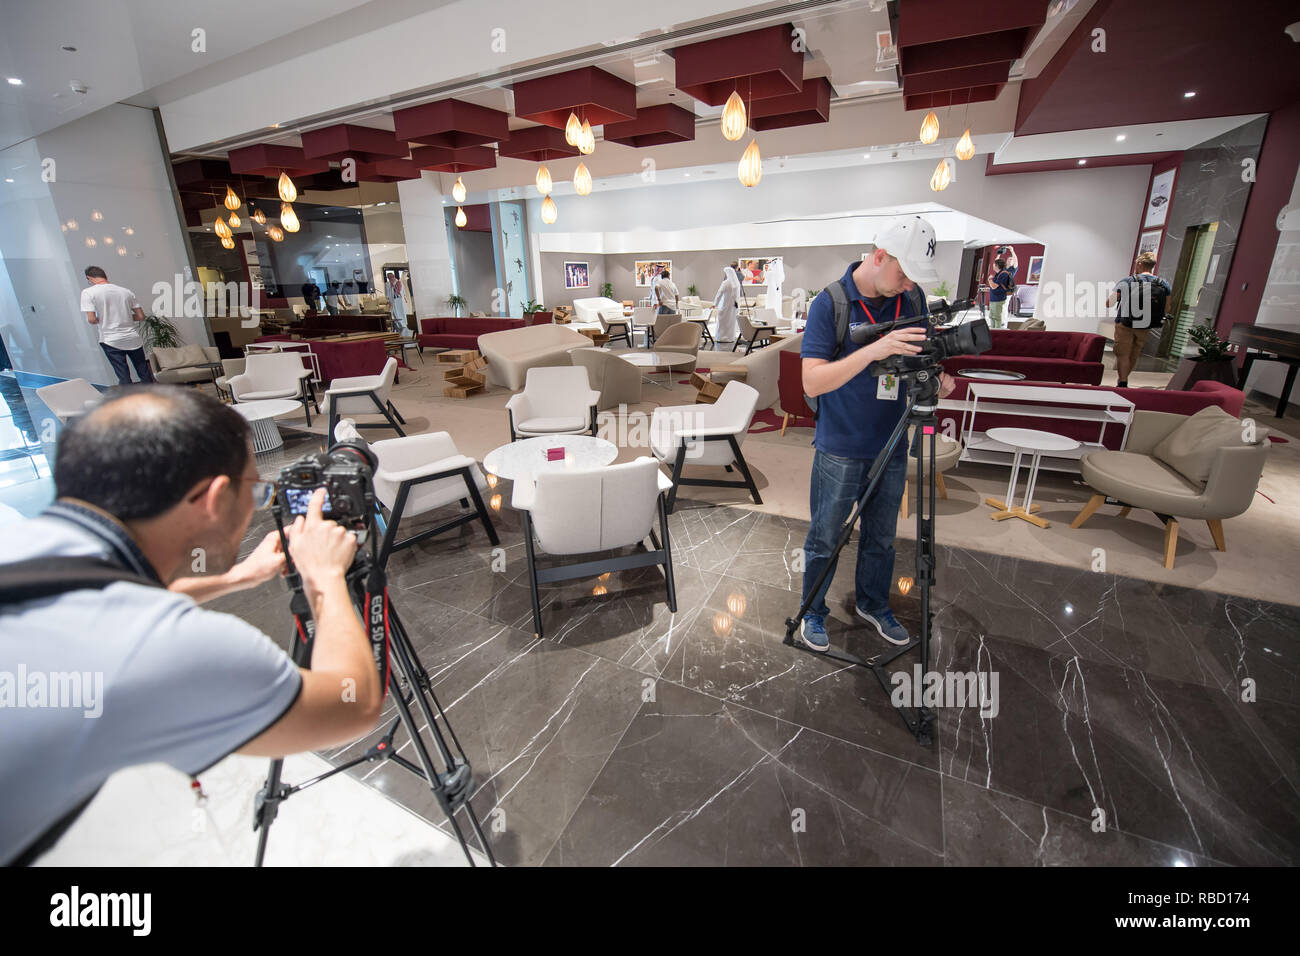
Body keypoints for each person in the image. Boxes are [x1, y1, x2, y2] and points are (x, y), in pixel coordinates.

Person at [0, 388, 383, 865]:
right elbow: (355, 702)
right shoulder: (172, 648)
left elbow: (108, 603)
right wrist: (324, 576)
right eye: (256, 491)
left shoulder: (20, 543)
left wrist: (234, 578)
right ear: (215, 498)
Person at [798, 216, 956, 651]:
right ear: (879, 256)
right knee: (826, 536)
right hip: (840, 445)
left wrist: (938, 377)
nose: (907, 285)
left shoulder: (913, 297)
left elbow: (923, 353)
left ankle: (871, 602)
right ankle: (813, 611)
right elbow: (812, 383)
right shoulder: (830, 304)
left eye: (912, 279)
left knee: (882, 537)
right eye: (902, 273)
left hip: (892, 441)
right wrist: (875, 349)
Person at [80, 266, 155, 386]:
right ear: (105, 276)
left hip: (110, 340)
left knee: (123, 375)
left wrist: (105, 319)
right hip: (132, 338)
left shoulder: (88, 292)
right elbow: (141, 316)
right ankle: (154, 399)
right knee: (144, 372)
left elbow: (92, 319)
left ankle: (129, 402)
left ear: (89, 278)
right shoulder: (126, 291)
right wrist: (124, 317)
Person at [1107, 251, 1172, 387]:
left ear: (1140, 263)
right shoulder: (1163, 283)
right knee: (1134, 354)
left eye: (1137, 263)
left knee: (1123, 354)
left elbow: (1110, 302)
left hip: (1125, 322)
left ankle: (1123, 381)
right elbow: (1167, 308)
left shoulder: (1129, 280)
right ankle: (1123, 379)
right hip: (1146, 324)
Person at [986, 246, 1018, 329]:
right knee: (996, 312)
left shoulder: (1012, 269)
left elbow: (1016, 261)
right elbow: (996, 263)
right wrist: (999, 254)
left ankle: (1003, 325)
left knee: (1003, 309)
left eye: (1012, 259)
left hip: (1005, 293)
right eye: (1009, 259)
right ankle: (997, 325)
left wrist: (1012, 251)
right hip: (997, 294)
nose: (1010, 260)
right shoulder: (1002, 268)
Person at [713, 264, 741, 344]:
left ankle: (721, 337)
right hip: (733, 307)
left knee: (723, 322)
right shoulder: (736, 284)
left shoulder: (726, 283)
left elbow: (719, 294)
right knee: (731, 322)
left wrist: (715, 304)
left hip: (725, 306)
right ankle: (730, 337)